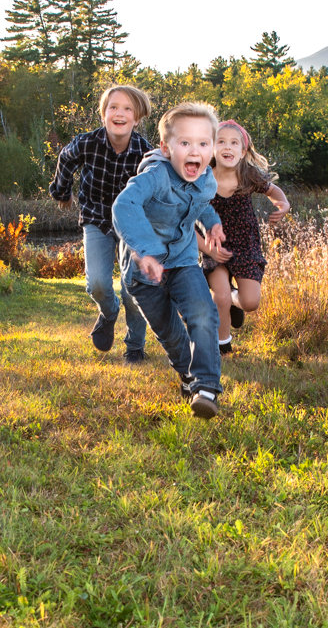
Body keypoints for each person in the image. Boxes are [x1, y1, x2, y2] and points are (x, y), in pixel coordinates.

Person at [112, 102, 226, 419]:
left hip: (184, 260)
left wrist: (212, 222)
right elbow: (124, 206)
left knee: (203, 312)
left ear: (212, 147)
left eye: (203, 143)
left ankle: (206, 387)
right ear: (166, 147)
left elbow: (200, 201)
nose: (195, 151)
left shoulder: (207, 179)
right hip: (143, 271)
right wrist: (146, 250)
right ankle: (188, 376)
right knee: (171, 331)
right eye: (185, 143)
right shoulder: (155, 176)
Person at [49, 85, 153, 362]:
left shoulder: (145, 151)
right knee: (96, 283)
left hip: (132, 223)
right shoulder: (87, 142)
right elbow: (66, 159)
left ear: (137, 117)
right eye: (113, 107)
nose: (119, 113)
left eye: (127, 109)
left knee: (134, 289)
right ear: (103, 114)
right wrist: (62, 192)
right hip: (95, 218)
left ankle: (134, 345)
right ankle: (109, 312)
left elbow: (156, 186)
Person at [197, 121, 290, 354]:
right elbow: (187, 219)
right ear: (211, 148)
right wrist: (207, 249)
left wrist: (283, 204)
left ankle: (234, 303)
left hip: (245, 245)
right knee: (221, 296)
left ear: (243, 151)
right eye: (221, 142)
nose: (227, 147)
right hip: (214, 247)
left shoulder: (248, 175)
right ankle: (223, 345)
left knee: (250, 302)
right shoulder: (202, 178)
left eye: (234, 143)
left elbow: (273, 191)